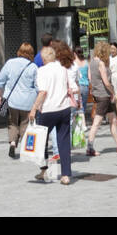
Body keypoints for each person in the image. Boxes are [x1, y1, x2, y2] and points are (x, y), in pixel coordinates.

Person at [26, 41, 78, 184]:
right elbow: (74, 88)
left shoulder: (42, 71)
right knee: (64, 141)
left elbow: (43, 92)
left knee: (41, 140)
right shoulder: (62, 69)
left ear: (43, 59)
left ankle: (44, 170)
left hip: (48, 110)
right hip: (64, 108)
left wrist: (33, 109)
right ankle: (66, 175)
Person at [0, 42, 38, 159]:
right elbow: (37, 86)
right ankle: (27, 148)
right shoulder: (33, 67)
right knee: (25, 124)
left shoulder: (10, 63)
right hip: (28, 101)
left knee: (12, 123)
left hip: (12, 100)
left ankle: (13, 143)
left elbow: (0, 81)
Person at [87, 40, 117, 155]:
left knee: (113, 119)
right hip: (104, 95)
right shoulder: (100, 63)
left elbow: (90, 78)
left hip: (98, 94)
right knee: (97, 122)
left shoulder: (92, 62)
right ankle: (89, 147)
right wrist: (113, 92)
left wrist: (95, 88)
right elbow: (106, 82)